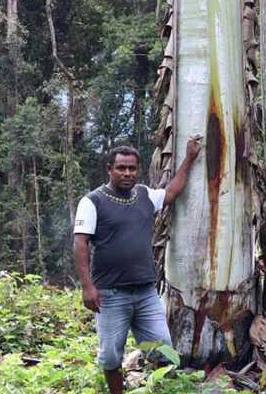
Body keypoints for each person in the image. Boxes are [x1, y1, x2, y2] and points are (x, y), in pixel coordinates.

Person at [73, 136, 202, 394]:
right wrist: (87, 287)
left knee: (162, 348)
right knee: (110, 355)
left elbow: (172, 191)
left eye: (132, 168)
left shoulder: (144, 195)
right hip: (110, 294)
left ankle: (158, 389)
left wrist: (189, 158)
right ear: (109, 169)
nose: (127, 173)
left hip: (145, 293)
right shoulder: (92, 201)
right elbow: (80, 244)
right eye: (121, 168)